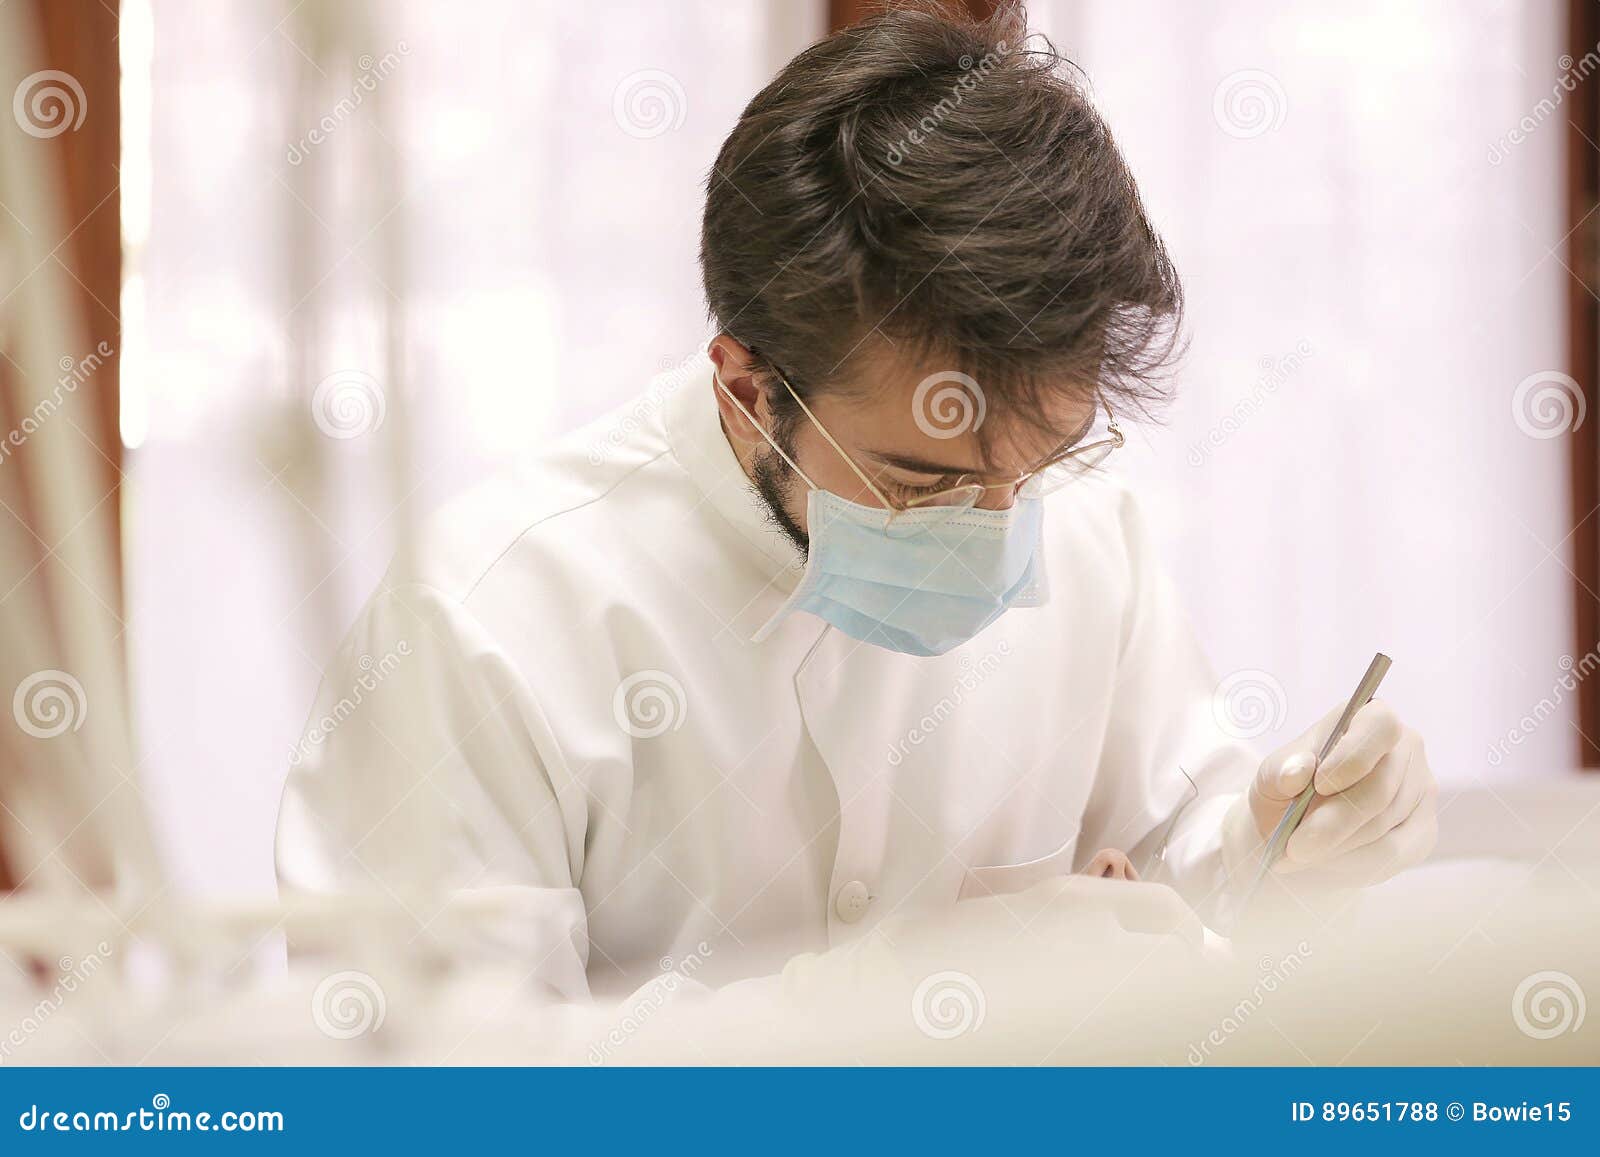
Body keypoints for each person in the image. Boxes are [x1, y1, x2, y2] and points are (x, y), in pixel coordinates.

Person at [275, 1, 1435, 1001]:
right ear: (747, 388)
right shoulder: (488, 623)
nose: (997, 526)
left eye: (1035, 464)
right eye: (920, 478)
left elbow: (1173, 881)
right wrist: (884, 1010)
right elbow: (432, 1082)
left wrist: (1286, 845)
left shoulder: (1089, 534)